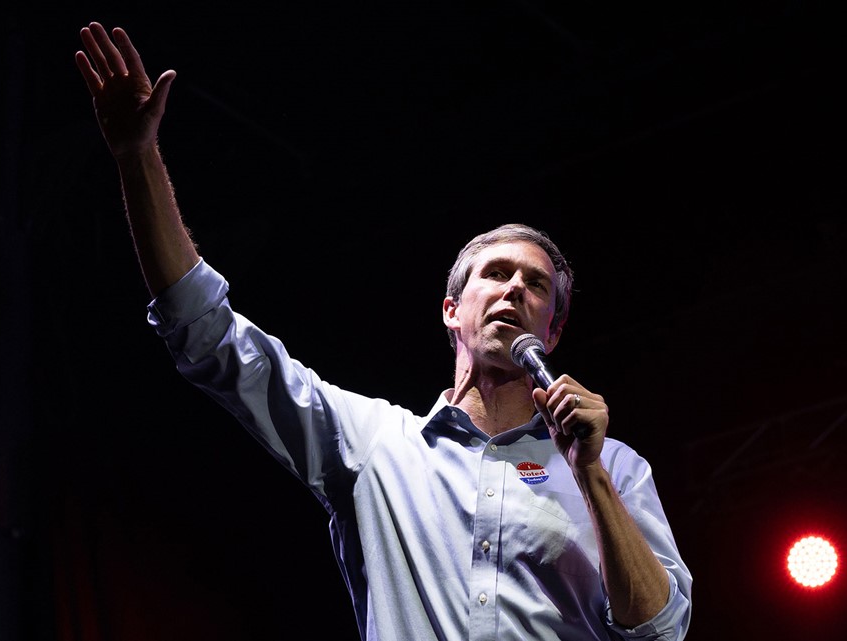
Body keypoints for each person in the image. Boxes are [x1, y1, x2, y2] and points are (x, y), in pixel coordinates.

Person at [75, 21, 693, 641]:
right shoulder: (375, 444)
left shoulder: (615, 464)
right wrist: (137, 158)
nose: (513, 290)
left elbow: (662, 630)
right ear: (451, 311)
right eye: (495, 274)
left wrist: (589, 475)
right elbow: (206, 334)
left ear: (552, 331)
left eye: (535, 287)